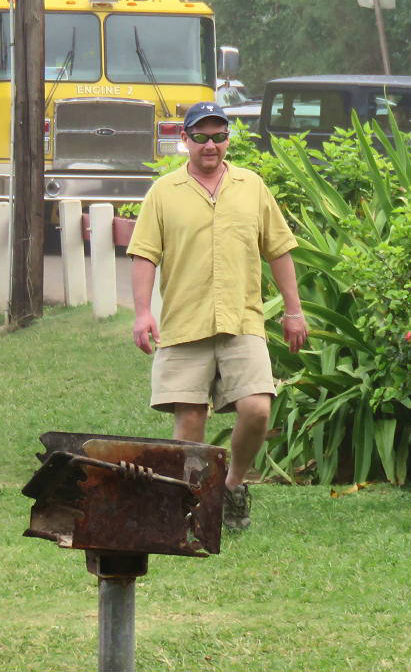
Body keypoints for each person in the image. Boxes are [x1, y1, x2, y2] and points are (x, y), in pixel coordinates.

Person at [129, 101, 308, 531]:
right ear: (185, 139)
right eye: (201, 136)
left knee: (258, 408)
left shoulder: (251, 186)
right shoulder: (163, 193)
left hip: (241, 320)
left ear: (228, 139)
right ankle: (186, 505)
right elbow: (143, 255)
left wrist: (294, 309)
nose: (211, 145)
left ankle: (231, 486)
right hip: (185, 322)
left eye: (219, 136)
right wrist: (141, 313)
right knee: (190, 421)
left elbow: (279, 249)